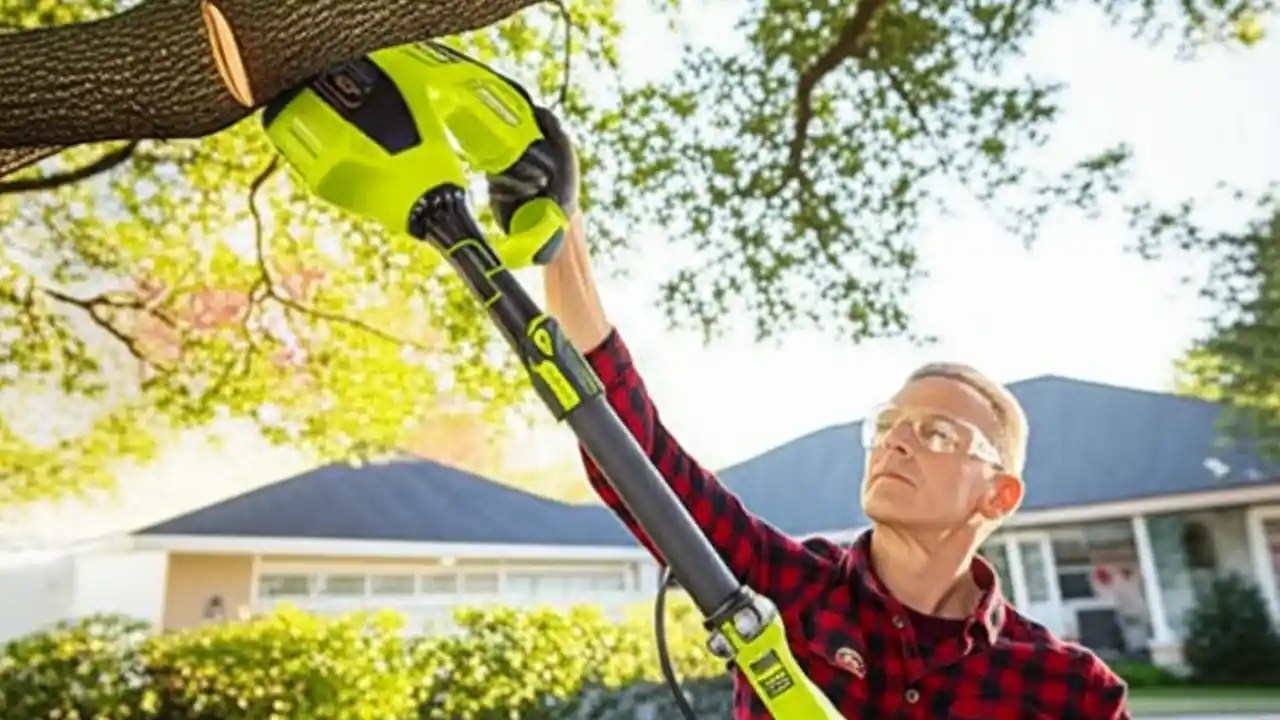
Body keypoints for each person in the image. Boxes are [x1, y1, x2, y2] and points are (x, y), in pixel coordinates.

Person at [488, 106, 1132, 719]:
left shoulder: (1072, 692)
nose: (895, 443)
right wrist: (562, 230)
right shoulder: (784, 586)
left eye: (936, 432)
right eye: (887, 425)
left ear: (998, 495)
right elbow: (640, 460)